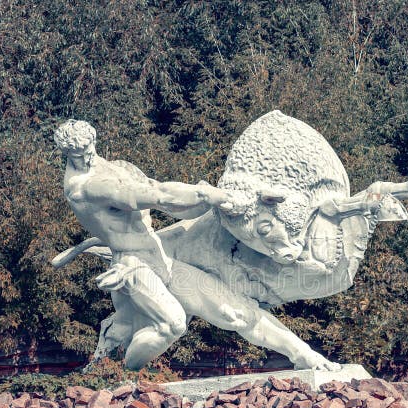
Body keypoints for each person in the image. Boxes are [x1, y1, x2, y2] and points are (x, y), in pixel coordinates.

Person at [53, 120, 341, 371]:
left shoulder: (111, 167)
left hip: (161, 258)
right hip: (133, 266)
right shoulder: (85, 187)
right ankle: (119, 374)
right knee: (172, 324)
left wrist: (215, 201)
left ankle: (304, 355)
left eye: (90, 148)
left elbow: (173, 202)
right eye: (79, 154)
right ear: (67, 153)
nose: (88, 157)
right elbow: (160, 196)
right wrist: (211, 195)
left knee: (236, 313)